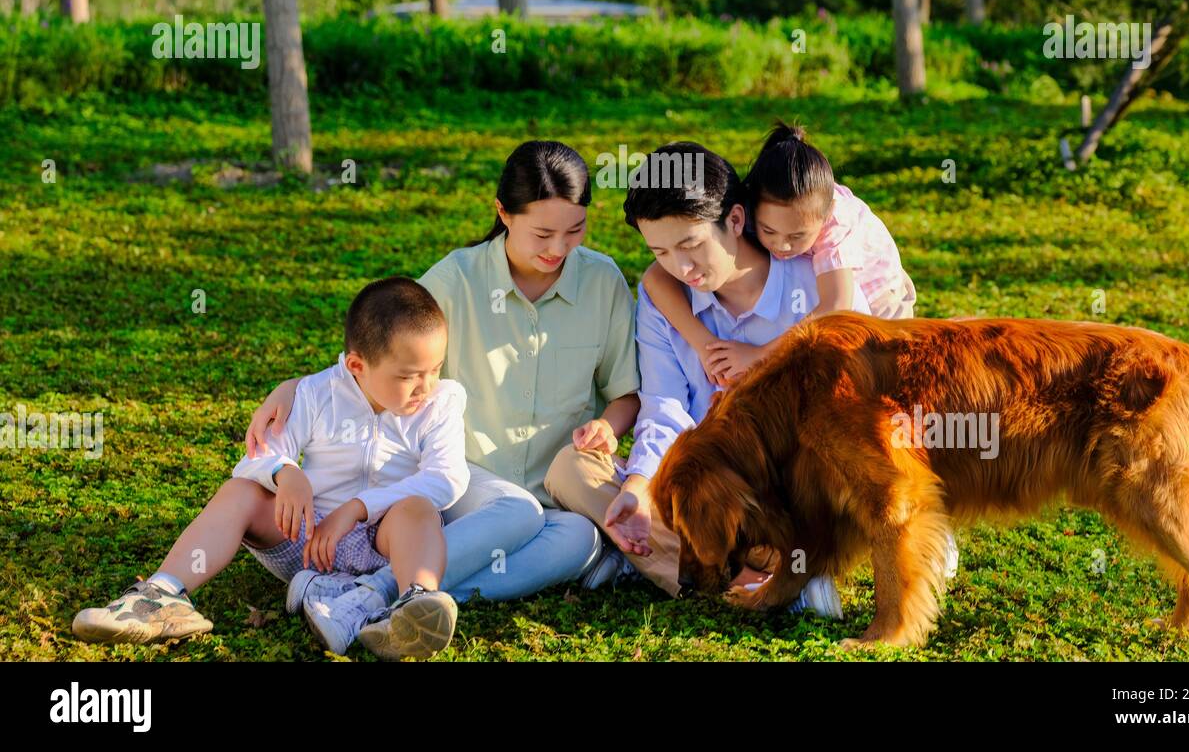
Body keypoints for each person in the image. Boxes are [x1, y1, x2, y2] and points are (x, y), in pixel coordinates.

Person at [246, 140, 642, 659]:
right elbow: (376, 360)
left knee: (580, 543)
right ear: (502, 213)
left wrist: (610, 428)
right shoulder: (455, 280)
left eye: (576, 229)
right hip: (459, 482)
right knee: (518, 513)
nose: (559, 248)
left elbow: (625, 395)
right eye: (543, 233)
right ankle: (388, 592)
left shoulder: (603, 281)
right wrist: (292, 386)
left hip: (555, 494)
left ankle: (364, 594)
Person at [547, 141, 869, 614]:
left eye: (691, 245)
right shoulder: (664, 300)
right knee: (569, 470)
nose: (682, 267)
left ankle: (713, 565)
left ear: (735, 221)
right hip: (706, 496)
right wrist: (637, 489)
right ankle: (762, 577)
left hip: (793, 486)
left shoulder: (814, 284)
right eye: (660, 251)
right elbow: (665, 409)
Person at [73, 277, 468, 660]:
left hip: (387, 542)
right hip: (309, 539)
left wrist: (358, 508)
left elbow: (446, 477)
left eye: (434, 369)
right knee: (240, 492)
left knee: (419, 508)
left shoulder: (443, 403)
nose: (426, 386)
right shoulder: (314, 394)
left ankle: (413, 602)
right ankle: (162, 595)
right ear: (357, 365)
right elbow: (254, 459)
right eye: (408, 376)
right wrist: (284, 472)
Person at [643, 120, 915, 386]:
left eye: (796, 237)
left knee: (889, 376)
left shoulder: (835, 226)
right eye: (768, 231)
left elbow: (835, 308)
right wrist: (704, 345)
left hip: (881, 296)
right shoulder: (750, 207)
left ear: (824, 217)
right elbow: (655, 279)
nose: (781, 247)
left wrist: (760, 355)